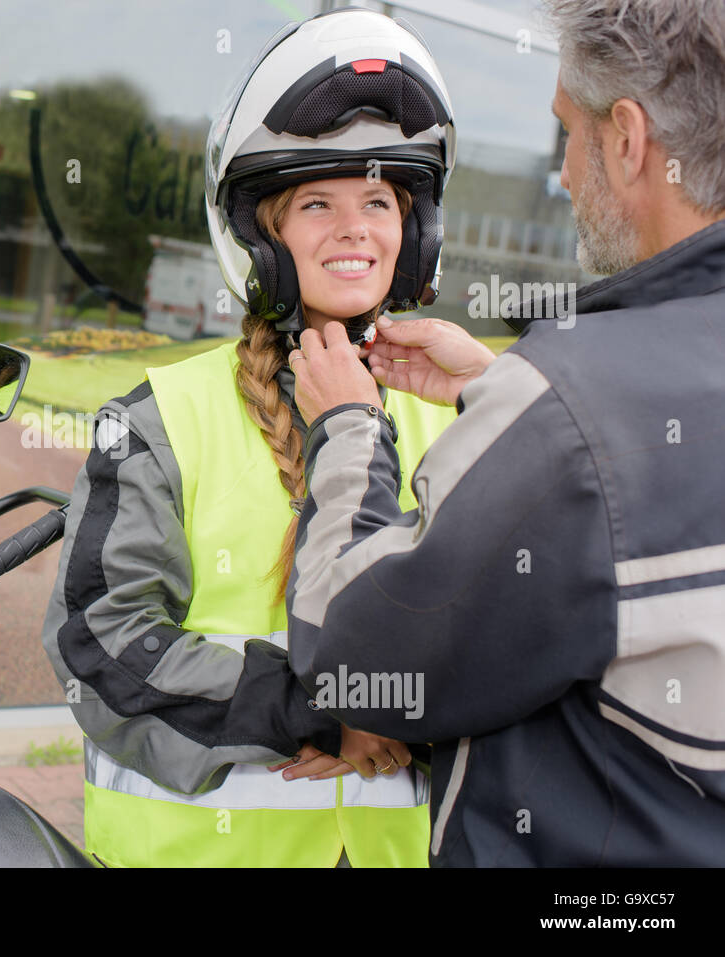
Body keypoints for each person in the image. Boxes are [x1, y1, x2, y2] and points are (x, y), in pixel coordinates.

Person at [284, 0, 725, 866]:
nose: (561, 172)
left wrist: (344, 429)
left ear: (628, 139)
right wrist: (500, 390)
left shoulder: (573, 401)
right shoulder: (588, 404)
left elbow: (352, 652)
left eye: (569, 131)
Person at [41, 9, 460, 867]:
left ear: (413, 233)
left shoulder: (454, 411)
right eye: (318, 203)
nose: (356, 228)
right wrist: (322, 712)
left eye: (379, 201)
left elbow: (514, 628)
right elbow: (101, 642)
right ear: (260, 236)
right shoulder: (159, 415)